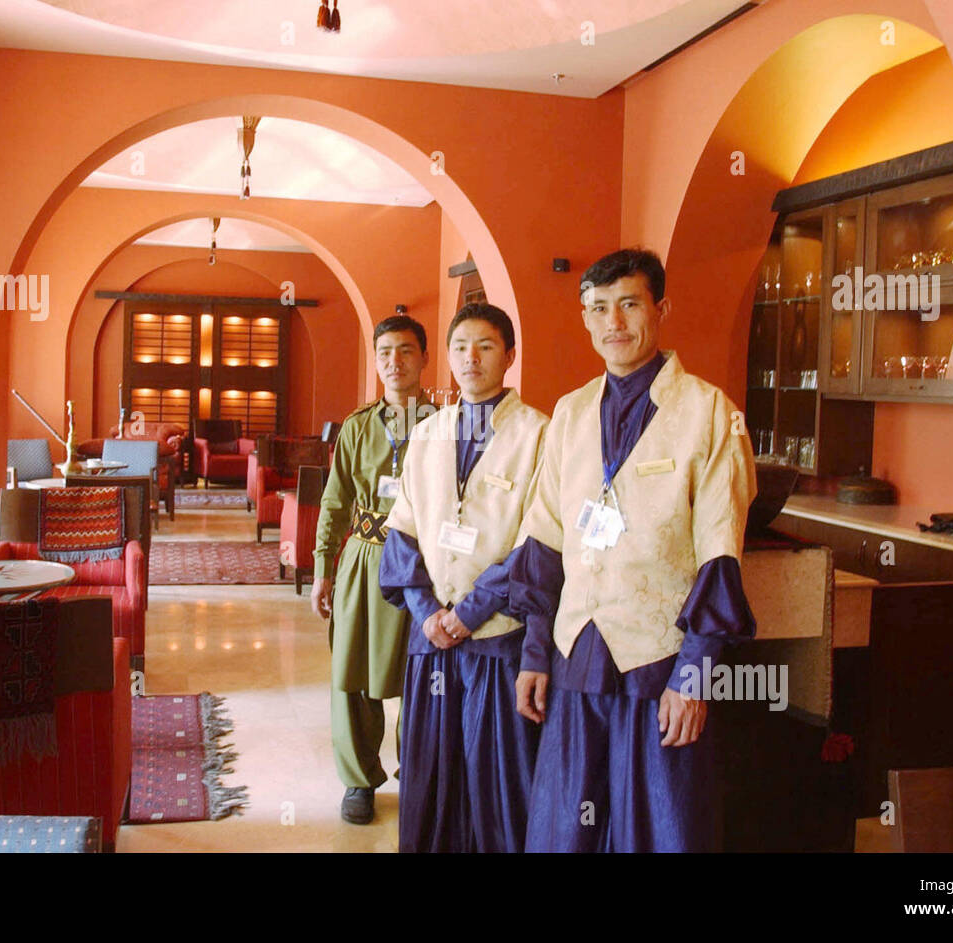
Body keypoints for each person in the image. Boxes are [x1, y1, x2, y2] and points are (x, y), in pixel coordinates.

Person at [509, 248, 758, 852]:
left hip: (660, 663)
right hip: (577, 652)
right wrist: (536, 653)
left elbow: (719, 556)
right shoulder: (568, 414)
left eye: (628, 304)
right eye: (597, 309)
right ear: (586, 320)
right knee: (567, 827)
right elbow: (543, 542)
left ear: (660, 308)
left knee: (660, 828)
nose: (613, 322)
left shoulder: (710, 414)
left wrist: (694, 676)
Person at [379, 303, 548, 852]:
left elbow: (538, 542)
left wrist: (468, 613)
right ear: (447, 358)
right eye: (460, 348)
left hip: (496, 639)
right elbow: (401, 530)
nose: (470, 359)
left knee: (498, 780)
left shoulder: (539, 435)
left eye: (486, 346)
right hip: (432, 641)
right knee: (430, 770)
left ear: (510, 355)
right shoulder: (428, 432)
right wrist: (428, 613)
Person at [311, 315, 433, 825]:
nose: (394, 361)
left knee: (424, 674)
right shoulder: (358, 425)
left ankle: (420, 771)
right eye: (385, 352)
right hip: (365, 558)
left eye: (405, 351)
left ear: (424, 358)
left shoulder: (445, 424)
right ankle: (359, 780)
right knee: (353, 672)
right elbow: (335, 500)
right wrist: (322, 566)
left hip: (424, 564)